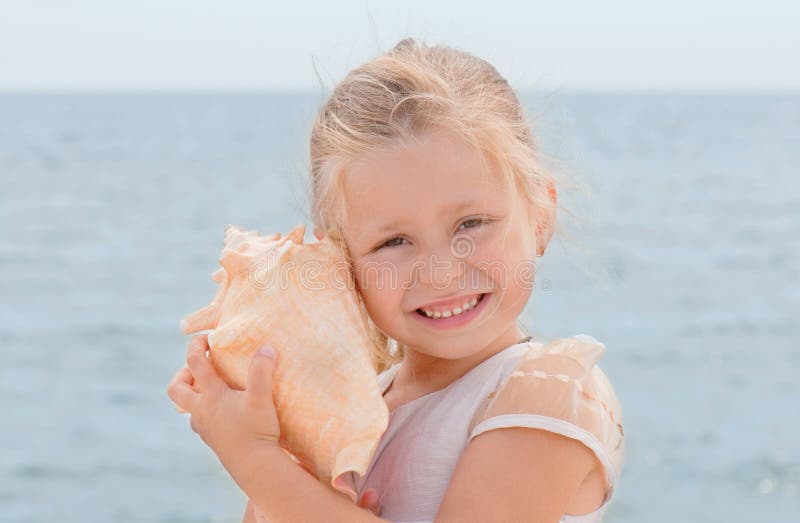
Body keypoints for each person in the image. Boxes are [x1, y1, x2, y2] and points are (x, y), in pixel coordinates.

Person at [168, 37, 625, 522]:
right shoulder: (349, 422)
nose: (441, 271)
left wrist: (254, 462)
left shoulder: (551, 393)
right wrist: (277, 453)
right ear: (341, 263)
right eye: (393, 242)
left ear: (540, 215)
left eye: (471, 224)